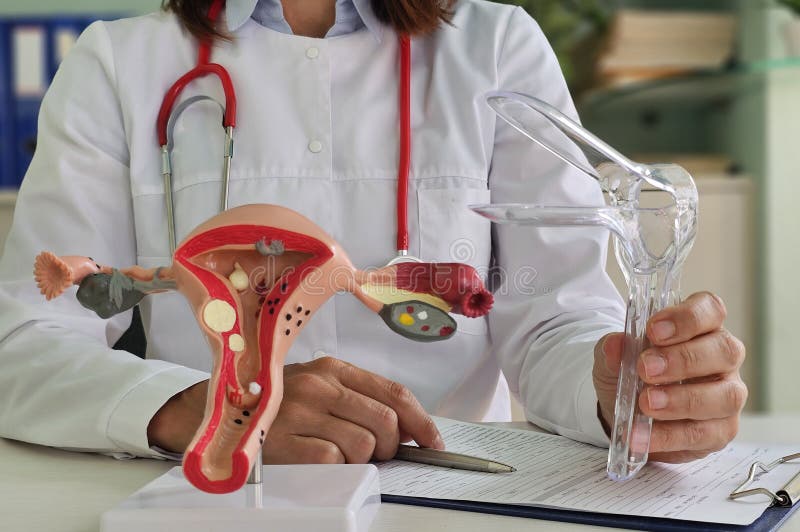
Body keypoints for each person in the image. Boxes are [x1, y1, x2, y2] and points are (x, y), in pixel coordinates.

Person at [0, 0, 746, 467]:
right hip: (217, 491)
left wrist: (617, 382)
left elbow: (553, 316)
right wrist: (211, 406)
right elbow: (27, 343)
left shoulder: (495, 47)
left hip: (454, 496)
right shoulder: (118, 63)